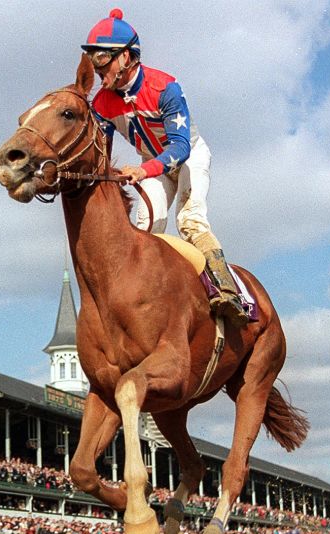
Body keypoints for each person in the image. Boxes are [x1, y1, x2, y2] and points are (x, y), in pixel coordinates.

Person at [81, 8, 253, 326]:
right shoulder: (103, 102)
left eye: (102, 57)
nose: (96, 66)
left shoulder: (165, 88)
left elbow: (181, 147)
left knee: (190, 221)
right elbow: (100, 154)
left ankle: (228, 291)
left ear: (128, 57)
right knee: (147, 225)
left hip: (188, 156)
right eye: (93, 58)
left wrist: (143, 171)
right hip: (151, 161)